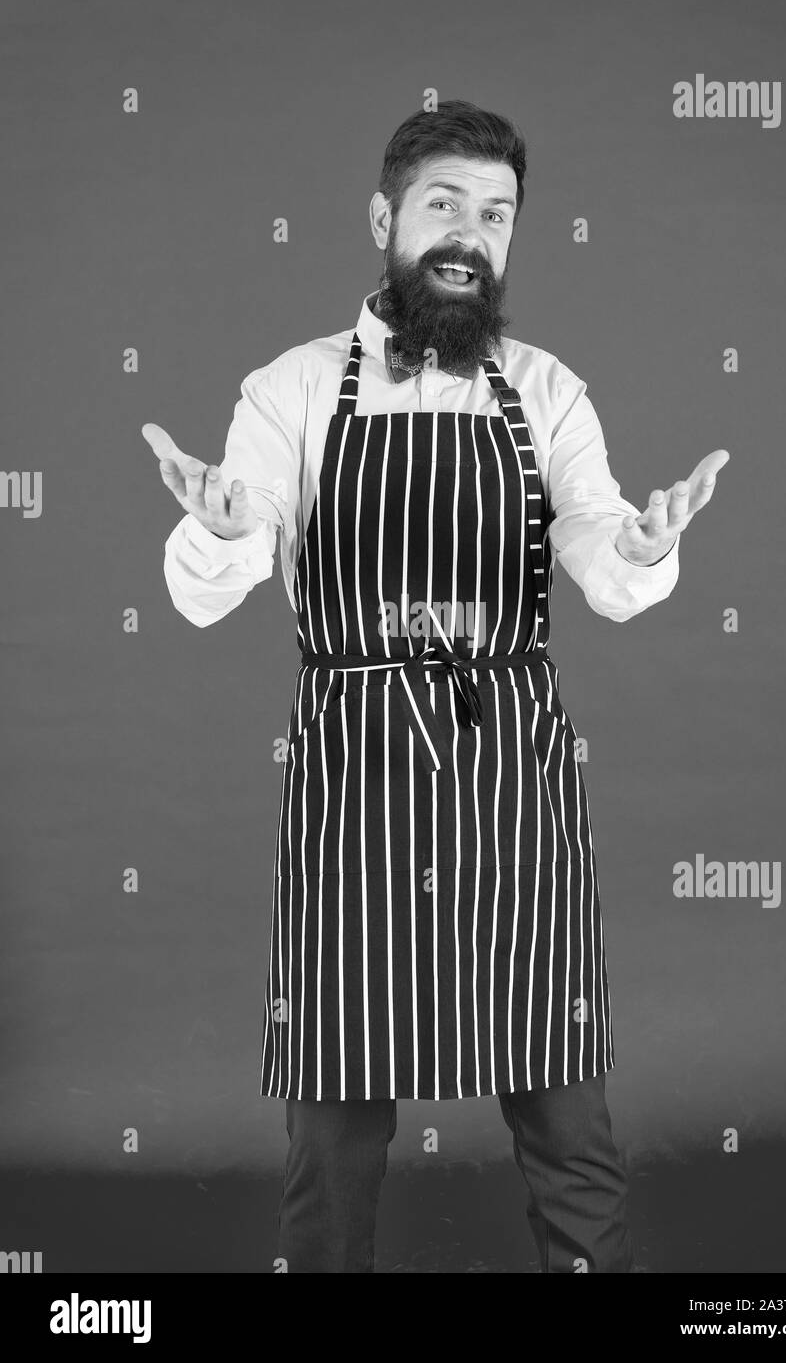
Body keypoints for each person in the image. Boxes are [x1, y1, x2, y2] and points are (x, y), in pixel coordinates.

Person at [142, 100, 728, 1274]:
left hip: (510, 768)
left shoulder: (546, 391)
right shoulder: (294, 389)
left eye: (495, 213)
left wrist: (652, 547)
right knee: (334, 1117)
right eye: (444, 205)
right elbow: (212, 583)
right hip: (354, 770)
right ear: (386, 219)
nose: (469, 233)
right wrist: (216, 529)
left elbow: (604, 558)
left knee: (565, 1111)